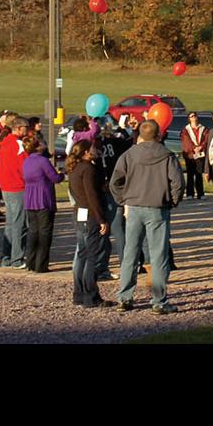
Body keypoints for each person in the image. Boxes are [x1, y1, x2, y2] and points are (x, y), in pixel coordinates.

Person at [109, 119, 183, 313]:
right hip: (157, 207)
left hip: (134, 207)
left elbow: (115, 182)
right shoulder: (166, 155)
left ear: (140, 135)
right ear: (159, 134)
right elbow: (177, 182)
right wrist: (172, 201)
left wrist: (123, 199)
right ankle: (159, 301)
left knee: (130, 254)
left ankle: (124, 298)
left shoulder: (129, 154)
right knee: (158, 256)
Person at [65, 140, 110, 307]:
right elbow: (92, 195)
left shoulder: (75, 167)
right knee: (91, 256)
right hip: (90, 214)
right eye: (92, 148)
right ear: (85, 152)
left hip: (79, 212)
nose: (95, 150)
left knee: (82, 254)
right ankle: (90, 295)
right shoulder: (87, 168)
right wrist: (101, 219)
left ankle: (79, 293)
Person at [96, 119, 133, 279]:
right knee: (118, 229)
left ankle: (105, 265)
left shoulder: (96, 145)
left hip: (105, 190)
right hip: (113, 188)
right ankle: (125, 263)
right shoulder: (115, 143)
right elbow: (130, 143)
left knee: (107, 229)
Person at [21, 135, 61, 273]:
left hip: (30, 198)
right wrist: (62, 174)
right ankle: (41, 264)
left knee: (33, 231)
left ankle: (30, 262)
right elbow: (55, 178)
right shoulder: (43, 161)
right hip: (43, 198)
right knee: (44, 233)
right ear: (38, 147)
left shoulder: (26, 161)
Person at [0, 116, 30, 268]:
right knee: (19, 223)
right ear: (19, 128)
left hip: (6, 185)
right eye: (25, 128)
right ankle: (17, 258)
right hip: (17, 186)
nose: (27, 131)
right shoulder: (18, 144)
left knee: (10, 222)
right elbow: (25, 166)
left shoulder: (6, 141)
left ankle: (6, 256)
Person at [179, 112, 208, 200]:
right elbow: (186, 141)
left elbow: (206, 139)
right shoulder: (185, 130)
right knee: (190, 174)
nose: (193, 117)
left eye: (195, 115)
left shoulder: (203, 129)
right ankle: (190, 193)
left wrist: (201, 147)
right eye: (191, 116)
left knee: (199, 174)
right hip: (190, 155)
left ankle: (200, 193)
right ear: (189, 119)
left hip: (200, 154)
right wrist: (194, 148)